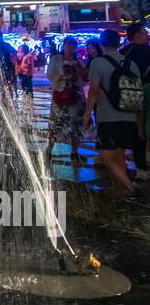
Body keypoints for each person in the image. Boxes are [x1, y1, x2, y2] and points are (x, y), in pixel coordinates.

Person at [84, 28, 143, 197]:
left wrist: (87, 115)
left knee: (105, 156)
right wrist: (138, 122)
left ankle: (130, 186)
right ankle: (122, 188)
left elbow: (93, 91)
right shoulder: (131, 64)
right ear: (119, 44)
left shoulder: (97, 62)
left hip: (107, 117)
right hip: (129, 115)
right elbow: (138, 93)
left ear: (101, 44)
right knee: (119, 154)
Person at [46, 35, 84, 164]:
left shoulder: (78, 61)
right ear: (64, 46)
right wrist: (64, 78)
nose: (71, 48)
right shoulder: (56, 59)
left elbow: (84, 78)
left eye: (73, 46)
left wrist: (80, 71)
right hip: (60, 96)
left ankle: (74, 151)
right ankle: (49, 149)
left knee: (75, 124)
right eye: (68, 45)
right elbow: (50, 74)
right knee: (55, 123)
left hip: (75, 97)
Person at [123, 21, 150, 183]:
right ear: (138, 34)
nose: (147, 35)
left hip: (128, 94)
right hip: (146, 92)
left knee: (136, 130)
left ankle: (140, 167)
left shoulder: (122, 52)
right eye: (145, 32)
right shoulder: (146, 51)